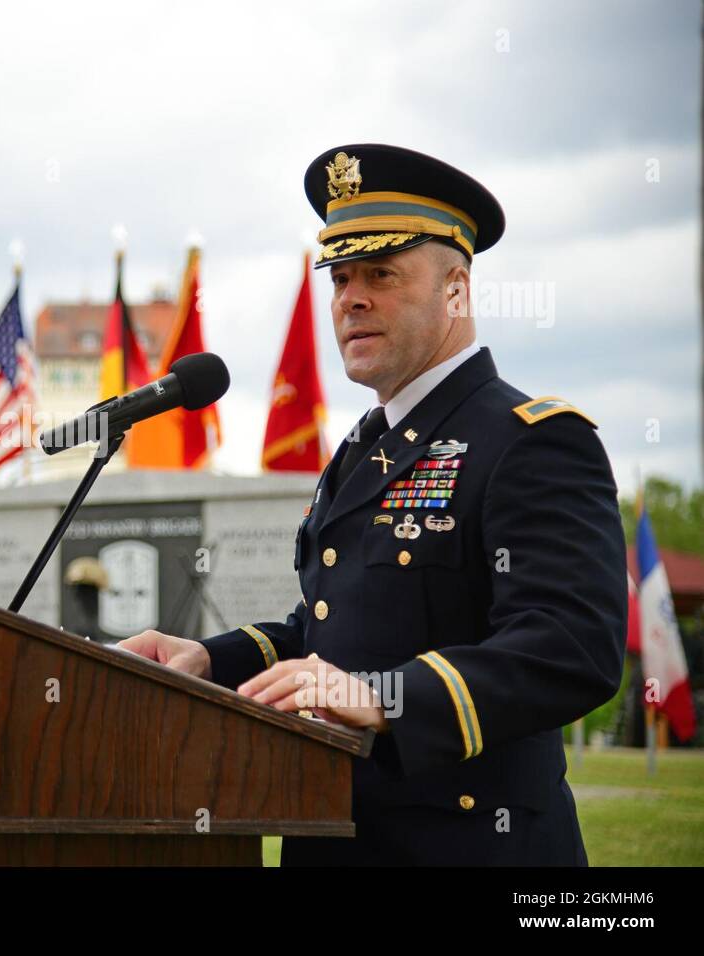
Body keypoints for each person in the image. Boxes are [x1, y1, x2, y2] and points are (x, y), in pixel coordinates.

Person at [118, 144, 627, 865]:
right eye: (342, 277)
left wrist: (385, 696)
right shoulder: (367, 446)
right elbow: (328, 632)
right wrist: (209, 659)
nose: (350, 298)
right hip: (334, 835)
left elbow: (571, 646)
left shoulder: (531, 442)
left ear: (456, 288)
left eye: (380, 274)